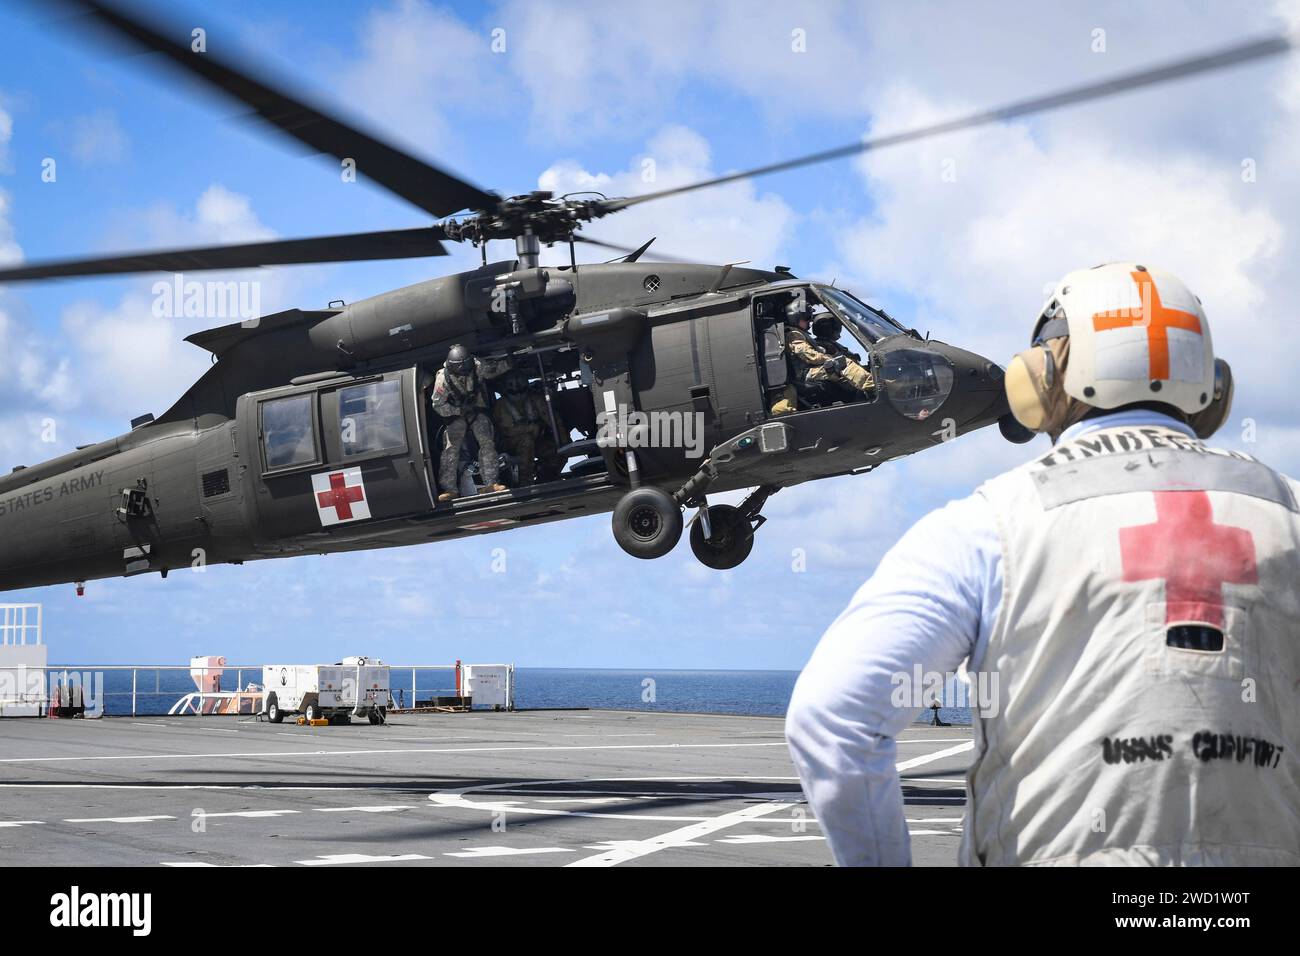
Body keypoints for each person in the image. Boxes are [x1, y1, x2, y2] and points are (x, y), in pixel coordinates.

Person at [786, 261, 1300, 866]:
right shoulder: (1288, 510)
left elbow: (832, 718)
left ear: (1043, 378)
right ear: (1213, 388)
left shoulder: (988, 524)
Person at [431, 344, 511, 501]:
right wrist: (458, 411)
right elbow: (438, 405)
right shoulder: (442, 379)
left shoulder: (476, 365)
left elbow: (491, 371)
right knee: (450, 449)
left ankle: (491, 483)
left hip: (477, 411)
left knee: (487, 442)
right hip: (456, 415)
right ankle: (450, 489)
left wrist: (509, 363)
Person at [771, 301, 874, 414]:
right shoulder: (793, 334)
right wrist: (829, 359)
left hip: (810, 371)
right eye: (806, 318)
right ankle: (874, 387)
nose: (809, 322)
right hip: (805, 373)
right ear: (796, 318)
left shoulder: (799, 333)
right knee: (842, 364)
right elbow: (807, 354)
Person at [493, 372, 565, 485]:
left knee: (556, 448)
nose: (516, 390)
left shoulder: (535, 399)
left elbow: (553, 420)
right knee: (527, 441)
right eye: (512, 387)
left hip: (537, 440)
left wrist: (563, 441)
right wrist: (530, 428)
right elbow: (507, 430)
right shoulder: (501, 405)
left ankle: (547, 477)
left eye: (520, 386)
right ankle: (525, 481)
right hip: (511, 443)